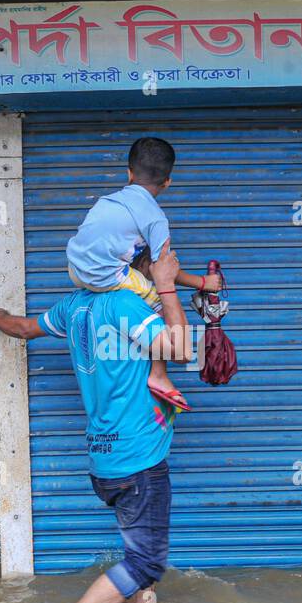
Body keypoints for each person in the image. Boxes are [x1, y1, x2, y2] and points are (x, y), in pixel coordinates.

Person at [0, 242, 191, 603]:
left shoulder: (73, 306)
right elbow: (180, 349)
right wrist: (166, 286)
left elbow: (26, 328)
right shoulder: (127, 305)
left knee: (140, 575)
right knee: (145, 564)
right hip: (138, 461)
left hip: (105, 462)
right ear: (137, 269)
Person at [65, 136, 221, 412]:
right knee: (160, 298)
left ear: (128, 172)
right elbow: (164, 272)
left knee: (140, 277)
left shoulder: (106, 202)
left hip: (75, 268)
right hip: (103, 275)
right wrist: (203, 282)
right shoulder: (156, 218)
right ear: (167, 182)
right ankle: (158, 376)